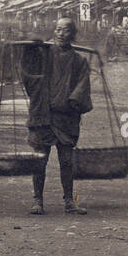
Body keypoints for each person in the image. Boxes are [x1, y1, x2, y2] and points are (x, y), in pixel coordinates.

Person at [22, 17, 93, 216]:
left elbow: (83, 84)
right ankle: (38, 200)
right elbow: (29, 74)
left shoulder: (79, 61)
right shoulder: (44, 54)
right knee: (40, 160)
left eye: (66, 30)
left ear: (72, 34)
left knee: (67, 161)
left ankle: (69, 201)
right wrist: (30, 51)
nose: (61, 34)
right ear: (54, 32)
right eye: (58, 29)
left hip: (66, 117)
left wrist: (73, 100)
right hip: (43, 115)